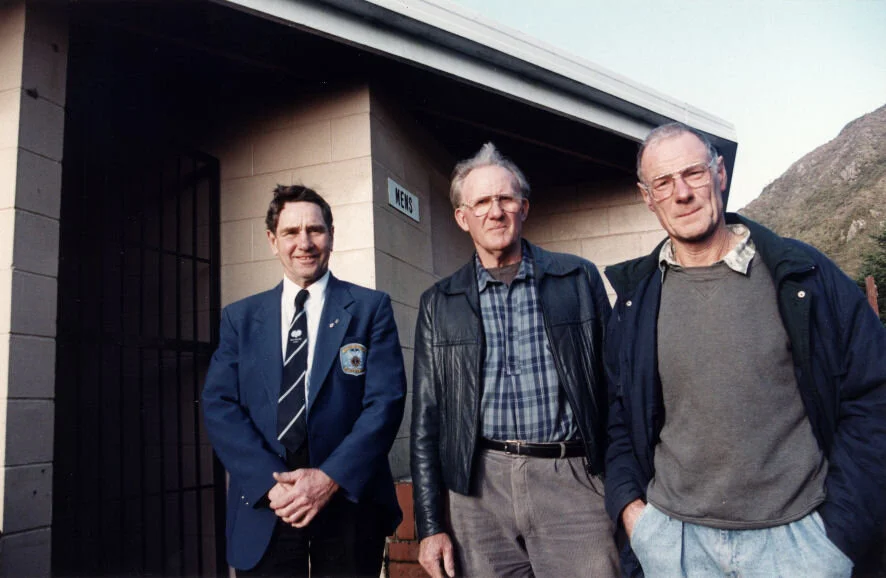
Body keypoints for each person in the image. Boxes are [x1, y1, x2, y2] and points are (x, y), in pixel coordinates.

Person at [604, 123, 886, 577]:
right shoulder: (637, 299)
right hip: (675, 545)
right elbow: (619, 415)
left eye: (693, 174)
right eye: (663, 182)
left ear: (719, 174)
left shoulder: (803, 276)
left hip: (799, 544)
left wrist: (839, 535)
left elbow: (873, 396)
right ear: (647, 196)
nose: (682, 193)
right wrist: (634, 515)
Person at [410, 142, 618, 578]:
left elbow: (614, 389)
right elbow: (426, 423)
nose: (495, 211)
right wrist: (430, 525)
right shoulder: (439, 303)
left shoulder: (577, 278)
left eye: (505, 199)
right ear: (462, 218)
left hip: (572, 480)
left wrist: (624, 488)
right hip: (477, 489)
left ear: (524, 207)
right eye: (481, 202)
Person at [202, 185, 406, 576]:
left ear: (331, 234)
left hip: (347, 504)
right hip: (267, 505)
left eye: (315, 230)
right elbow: (219, 405)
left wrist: (329, 479)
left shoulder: (369, 309)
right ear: (271, 241)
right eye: (291, 232)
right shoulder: (240, 319)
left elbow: (385, 403)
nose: (305, 243)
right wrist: (269, 484)